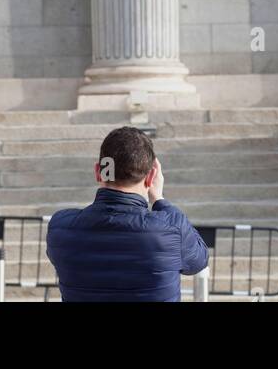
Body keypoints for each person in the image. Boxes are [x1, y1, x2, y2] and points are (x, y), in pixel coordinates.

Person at [46, 126, 208, 303]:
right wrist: (159, 200)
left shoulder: (60, 227)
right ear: (151, 177)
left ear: (98, 171)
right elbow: (198, 261)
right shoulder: (170, 228)